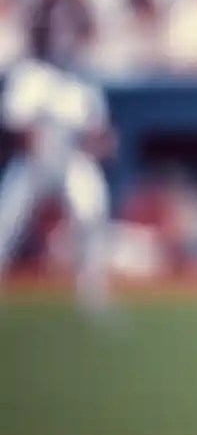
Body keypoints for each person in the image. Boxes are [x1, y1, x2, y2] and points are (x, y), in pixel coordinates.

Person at [0, 56, 114, 314]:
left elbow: (99, 133)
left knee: (92, 212)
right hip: (33, 161)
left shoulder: (82, 80)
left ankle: (92, 293)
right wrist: (38, 146)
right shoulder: (29, 75)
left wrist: (99, 144)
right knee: (6, 223)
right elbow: (16, 125)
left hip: (71, 158)